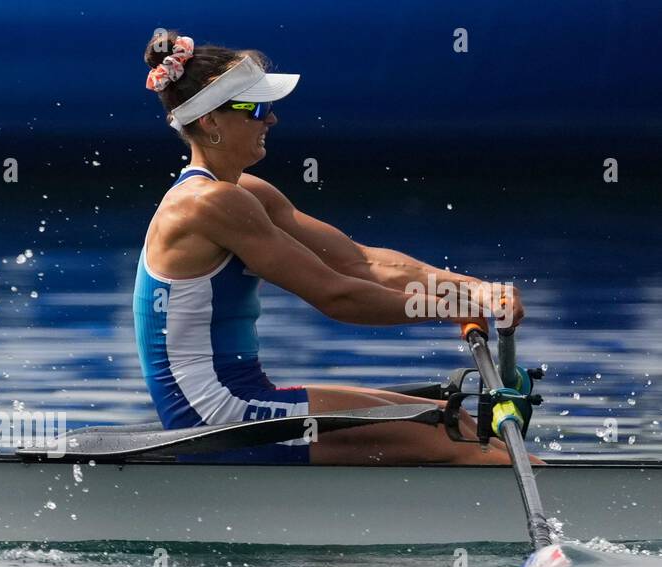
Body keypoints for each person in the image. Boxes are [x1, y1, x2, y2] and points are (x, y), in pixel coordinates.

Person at [134, 30, 532, 465]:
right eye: (259, 108)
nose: (272, 120)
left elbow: (358, 261)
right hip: (214, 415)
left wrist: (473, 289)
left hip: (240, 395)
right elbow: (336, 295)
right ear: (210, 121)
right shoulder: (209, 203)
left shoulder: (246, 190)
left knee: (453, 422)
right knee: (462, 441)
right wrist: (449, 306)